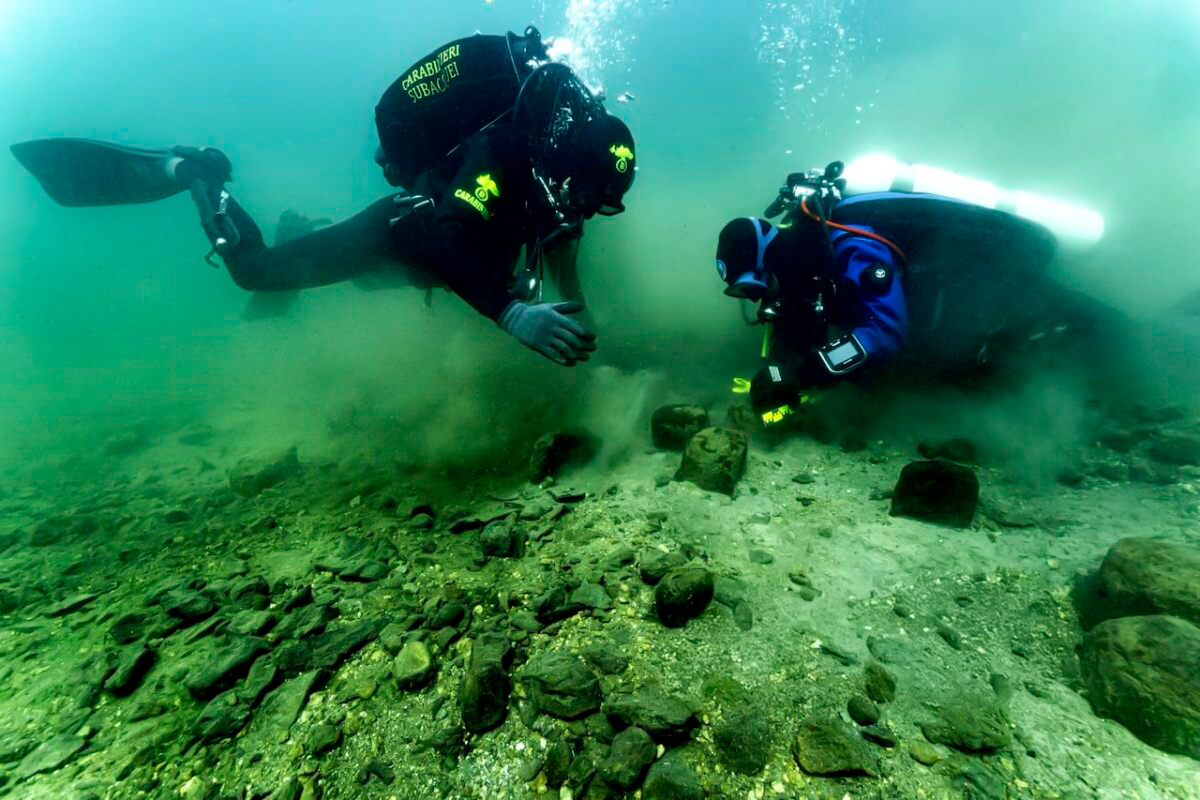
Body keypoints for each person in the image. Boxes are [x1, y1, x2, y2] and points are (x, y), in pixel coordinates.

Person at [11, 28, 637, 367]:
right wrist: (513, 315)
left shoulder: (560, 183)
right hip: (402, 233)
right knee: (257, 275)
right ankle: (196, 174)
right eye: (589, 195)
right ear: (570, 162)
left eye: (599, 202)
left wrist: (587, 332)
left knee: (367, 285)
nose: (584, 208)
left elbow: (564, 256)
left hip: (434, 259)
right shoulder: (502, 156)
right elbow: (441, 236)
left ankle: (301, 226)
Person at [713, 159, 1092, 425]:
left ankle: (1108, 337)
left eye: (756, 287)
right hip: (956, 291)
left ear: (771, 260)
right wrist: (777, 377)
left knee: (1052, 330)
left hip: (994, 275)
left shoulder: (848, 245)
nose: (761, 300)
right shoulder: (802, 271)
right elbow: (791, 328)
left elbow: (885, 332)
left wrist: (812, 371)